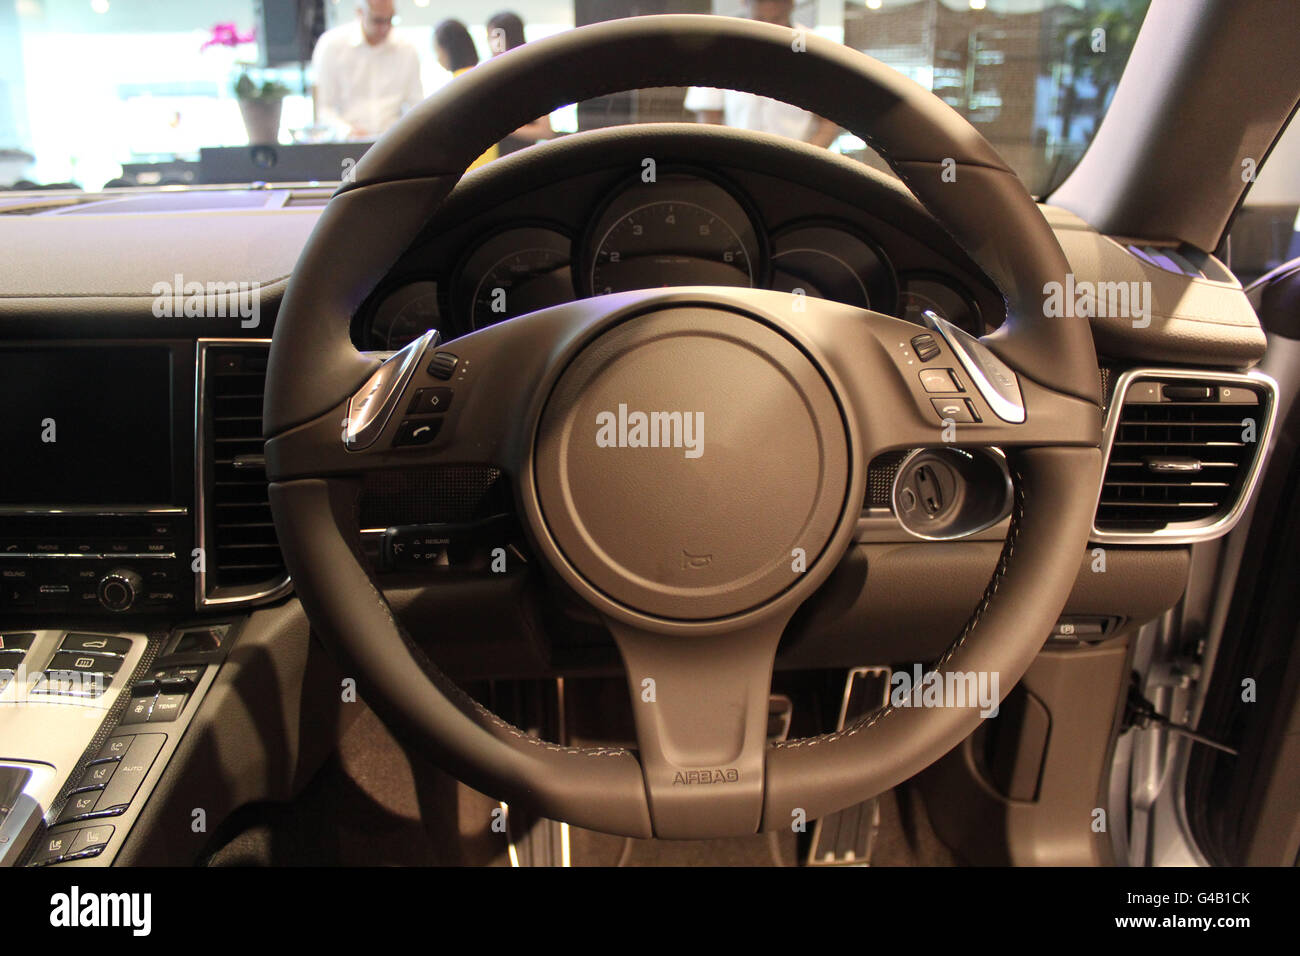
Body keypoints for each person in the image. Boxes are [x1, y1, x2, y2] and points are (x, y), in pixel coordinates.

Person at [683, 0, 839, 148]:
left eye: (776, 19)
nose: (769, 6)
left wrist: (803, 160)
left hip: (797, 164)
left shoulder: (815, 47)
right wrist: (728, 156)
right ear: (744, 2)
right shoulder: (721, 47)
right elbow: (709, 118)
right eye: (761, 18)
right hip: (736, 159)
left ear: (791, 3)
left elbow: (829, 122)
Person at [311, 0, 423, 141]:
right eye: (377, 20)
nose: (385, 27)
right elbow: (323, 109)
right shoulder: (331, 46)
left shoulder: (407, 49)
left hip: (393, 146)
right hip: (344, 146)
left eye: (390, 20)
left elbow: (416, 105)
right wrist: (346, 131)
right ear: (360, 13)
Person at [486, 11, 554, 153]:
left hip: (519, 162)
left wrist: (503, 129)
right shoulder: (495, 76)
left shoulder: (530, 76)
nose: (491, 45)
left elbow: (545, 131)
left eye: (494, 38)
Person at [434, 19, 497, 171]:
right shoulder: (486, 79)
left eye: (436, 50)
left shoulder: (454, 87)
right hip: (491, 167)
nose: (437, 57)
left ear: (446, 50)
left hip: (466, 173)